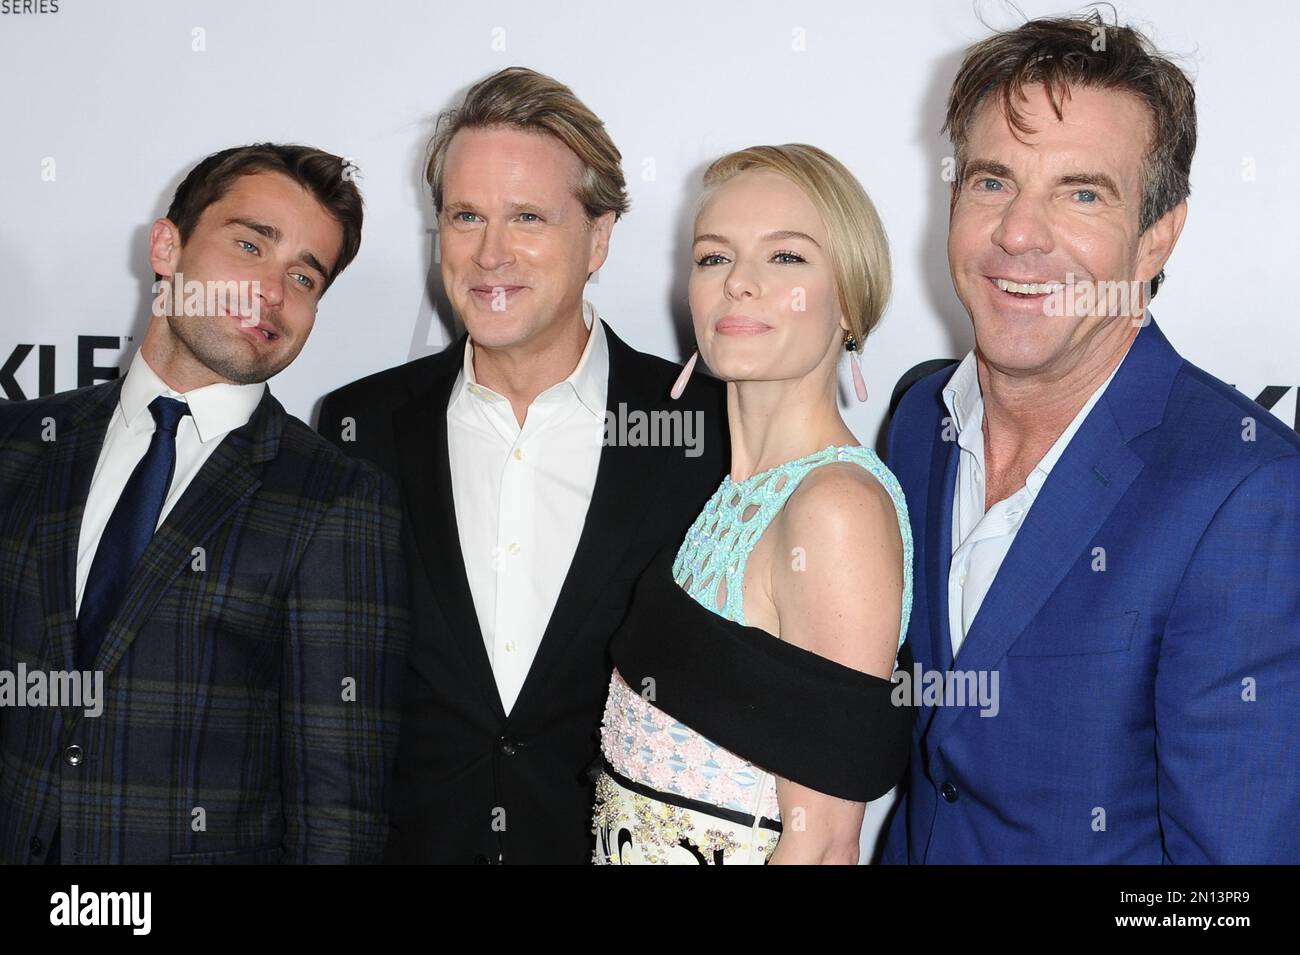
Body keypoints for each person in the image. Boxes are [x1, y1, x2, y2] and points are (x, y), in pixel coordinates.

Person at [882, 13, 1300, 864]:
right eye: (993, 182)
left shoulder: (1244, 489)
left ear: (1157, 235)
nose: (1019, 234)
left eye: (1081, 192)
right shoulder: (920, 418)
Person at [317, 67, 728, 864]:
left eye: (528, 217)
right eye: (465, 215)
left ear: (599, 237)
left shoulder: (706, 426)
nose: (490, 253)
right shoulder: (360, 424)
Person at [0, 143, 409, 864]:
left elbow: (337, 812)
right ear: (167, 246)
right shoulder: (20, 442)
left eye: (304, 276)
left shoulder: (337, 500)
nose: (272, 292)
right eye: (250, 243)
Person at [592, 144, 914, 865]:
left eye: (786, 258)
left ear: (851, 301)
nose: (739, 283)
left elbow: (825, 844)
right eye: (713, 258)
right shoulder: (724, 493)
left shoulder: (835, 509)